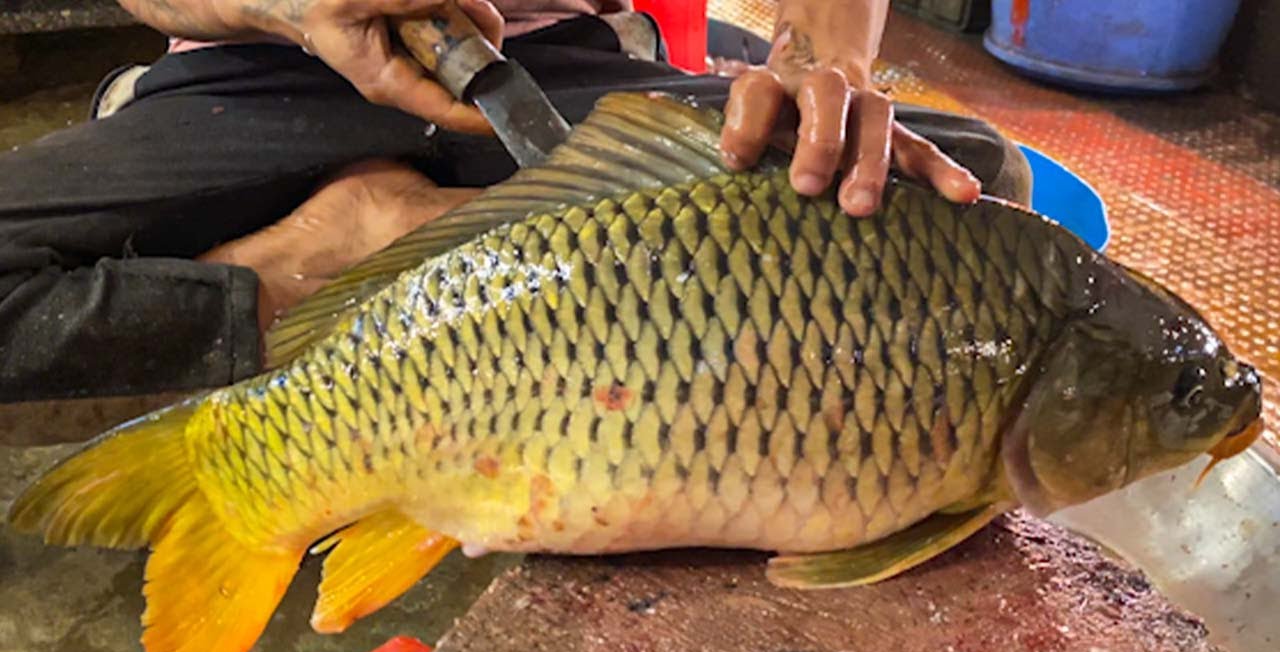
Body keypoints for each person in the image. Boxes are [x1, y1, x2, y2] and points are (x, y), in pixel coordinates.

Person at [0, 0, 1030, 403]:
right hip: (260, 67)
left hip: (555, 68)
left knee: (962, 181)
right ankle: (321, 264)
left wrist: (827, 67)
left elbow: (828, 55)